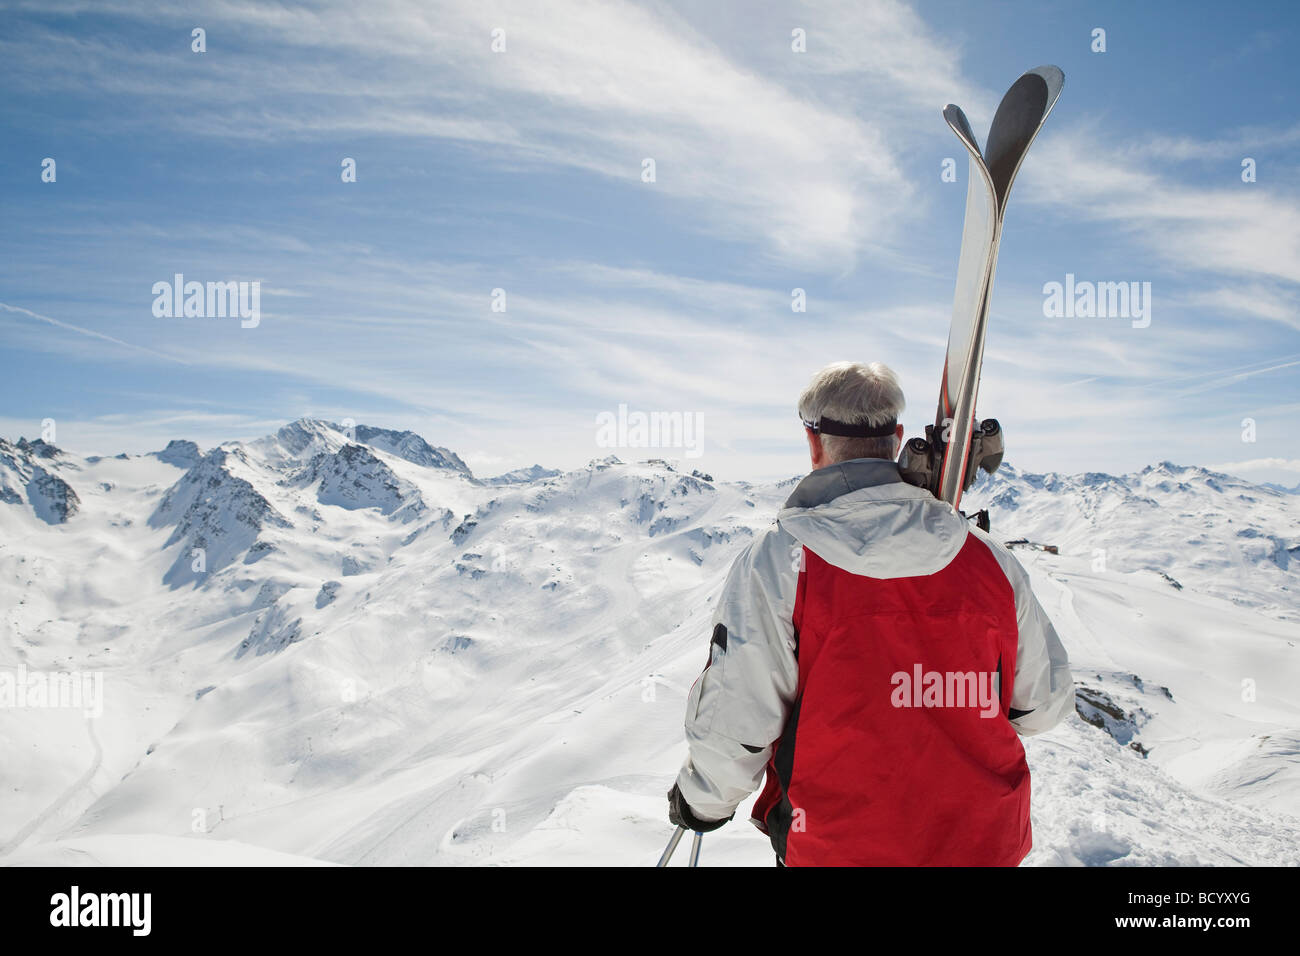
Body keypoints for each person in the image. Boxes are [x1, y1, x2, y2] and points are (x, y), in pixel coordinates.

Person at [667, 360, 1074, 866]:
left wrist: (701, 801)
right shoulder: (990, 559)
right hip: (984, 844)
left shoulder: (781, 561)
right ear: (897, 436)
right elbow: (1044, 706)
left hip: (839, 849)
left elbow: (740, 716)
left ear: (814, 443)